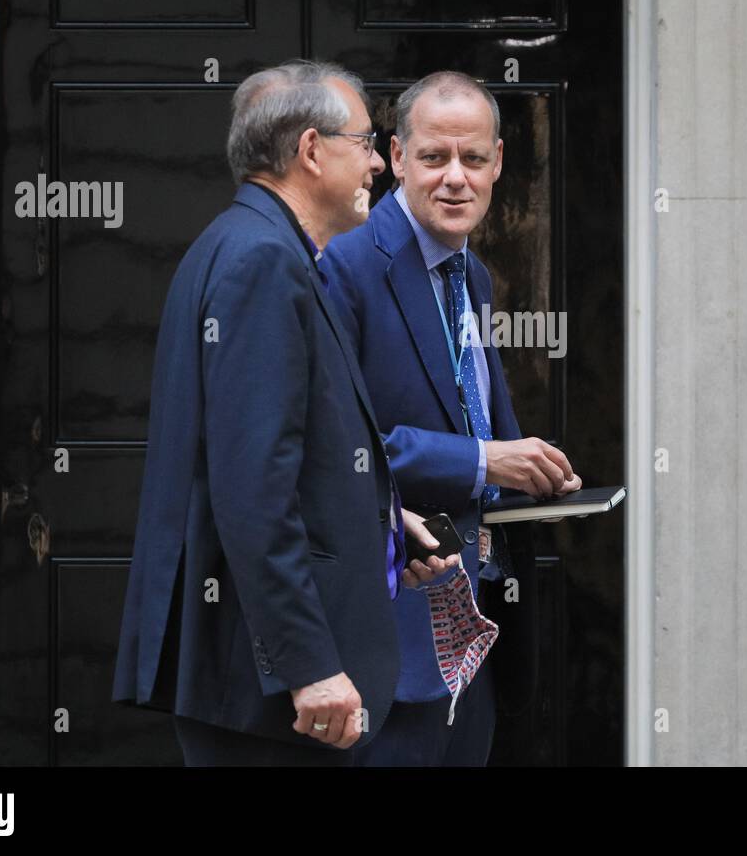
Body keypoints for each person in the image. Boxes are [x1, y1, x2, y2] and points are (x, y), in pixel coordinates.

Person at [111, 60, 457, 766]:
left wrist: (386, 527)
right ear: (309, 150)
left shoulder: (246, 247)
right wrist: (309, 667)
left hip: (256, 686)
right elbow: (252, 490)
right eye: (366, 143)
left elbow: (291, 459)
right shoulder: (261, 261)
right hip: (271, 695)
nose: (376, 166)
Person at [323, 71, 581, 766]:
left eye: (473, 159)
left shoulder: (473, 274)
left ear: (499, 161)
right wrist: (484, 461)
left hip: (479, 632)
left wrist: (525, 482)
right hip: (392, 645)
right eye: (435, 158)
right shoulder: (345, 266)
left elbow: (468, 410)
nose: (456, 178)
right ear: (398, 158)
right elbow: (342, 447)